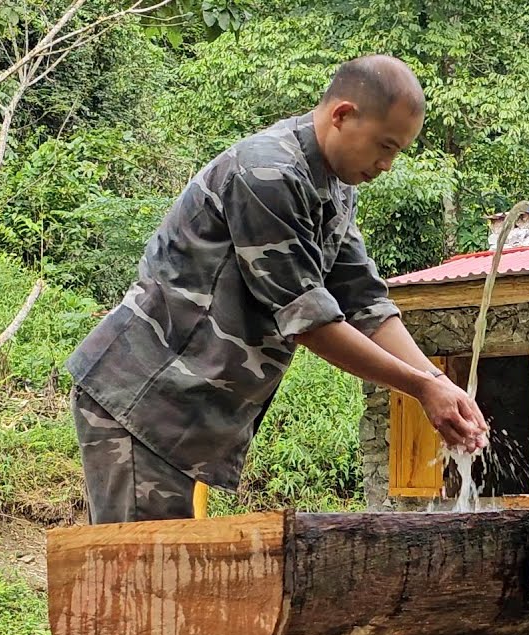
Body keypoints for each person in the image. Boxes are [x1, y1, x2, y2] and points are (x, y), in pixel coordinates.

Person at [65, 55, 488, 525]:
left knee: (164, 584)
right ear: (343, 115)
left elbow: (365, 302)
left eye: (398, 152)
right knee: (140, 584)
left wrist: (437, 381)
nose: (387, 165)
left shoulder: (334, 186)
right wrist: (420, 388)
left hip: (188, 412)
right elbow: (308, 318)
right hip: (145, 398)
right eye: (384, 146)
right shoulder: (268, 174)